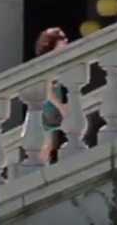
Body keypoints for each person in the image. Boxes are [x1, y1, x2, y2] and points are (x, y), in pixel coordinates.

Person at [34, 27, 72, 164]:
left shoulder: (55, 62)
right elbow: (48, 91)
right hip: (47, 109)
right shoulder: (47, 64)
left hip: (51, 110)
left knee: (50, 145)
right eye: (61, 38)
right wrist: (61, 107)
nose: (66, 41)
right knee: (46, 146)